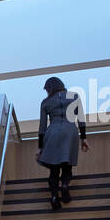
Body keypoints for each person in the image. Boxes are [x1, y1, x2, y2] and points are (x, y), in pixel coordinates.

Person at [36, 76, 89, 210]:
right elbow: (81, 119)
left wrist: (40, 147)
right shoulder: (74, 96)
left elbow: (42, 127)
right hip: (70, 132)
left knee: (54, 170)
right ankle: (64, 185)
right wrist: (84, 138)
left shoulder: (45, 102)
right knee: (67, 165)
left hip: (52, 132)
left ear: (50, 89)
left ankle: (54, 197)